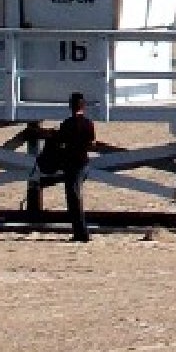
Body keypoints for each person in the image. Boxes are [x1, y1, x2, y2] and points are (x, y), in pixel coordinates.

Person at [57, 92, 98, 242]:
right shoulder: (88, 123)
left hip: (71, 164)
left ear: (70, 106)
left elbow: (60, 144)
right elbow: (92, 144)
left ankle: (81, 233)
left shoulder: (66, 124)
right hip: (84, 163)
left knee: (73, 199)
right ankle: (81, 232)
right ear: (84, 106)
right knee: (76, 197)